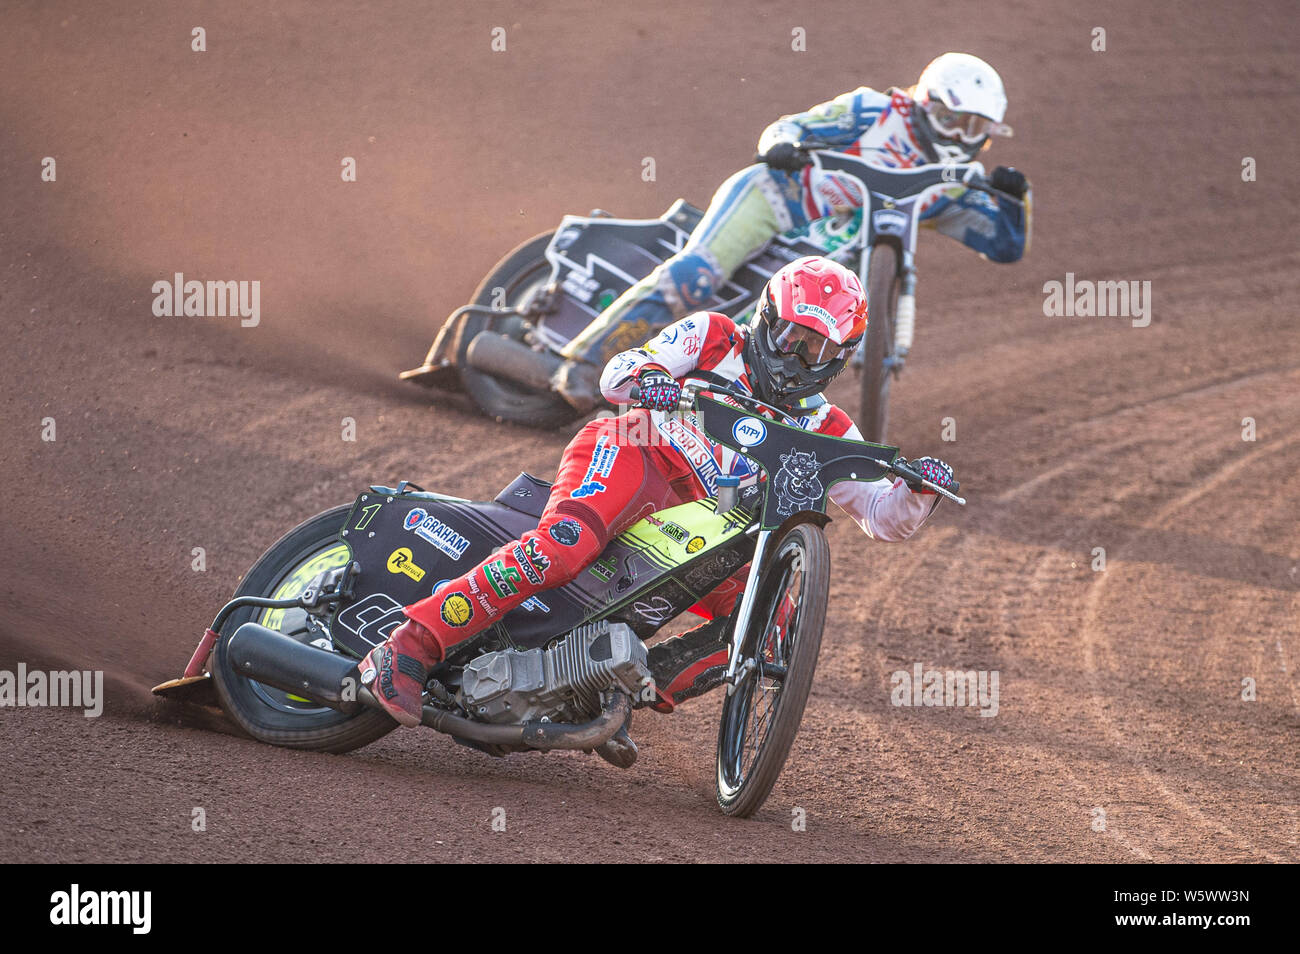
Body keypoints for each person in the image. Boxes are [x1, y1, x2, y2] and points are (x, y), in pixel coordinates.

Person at [359, 256, 957, 727]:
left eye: (823, 351)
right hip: (637, 451)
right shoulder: (715, 336)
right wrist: (652, 378)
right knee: (561, 547)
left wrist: (920, 490)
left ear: (843, 358)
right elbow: (619, 370)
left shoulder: (829, 426)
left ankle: (619, 688)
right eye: (798, 338)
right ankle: (408, 647)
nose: (804, 359)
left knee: (774, 628)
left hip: (705, 530)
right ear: (769, 319)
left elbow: (883, 517)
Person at [552, 51, 1031, 411]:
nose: (961, 136)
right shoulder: (873, 111)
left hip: (814, 262)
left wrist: (1013, 200)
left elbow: (1002, 246)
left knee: (759, 330)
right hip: (776, 199)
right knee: (694, 279)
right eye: (953, 120)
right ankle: (581, 366)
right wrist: (784, 144)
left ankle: (695, 408)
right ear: (927, 102)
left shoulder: (950, 185)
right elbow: (789, 126)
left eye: (976, 128)